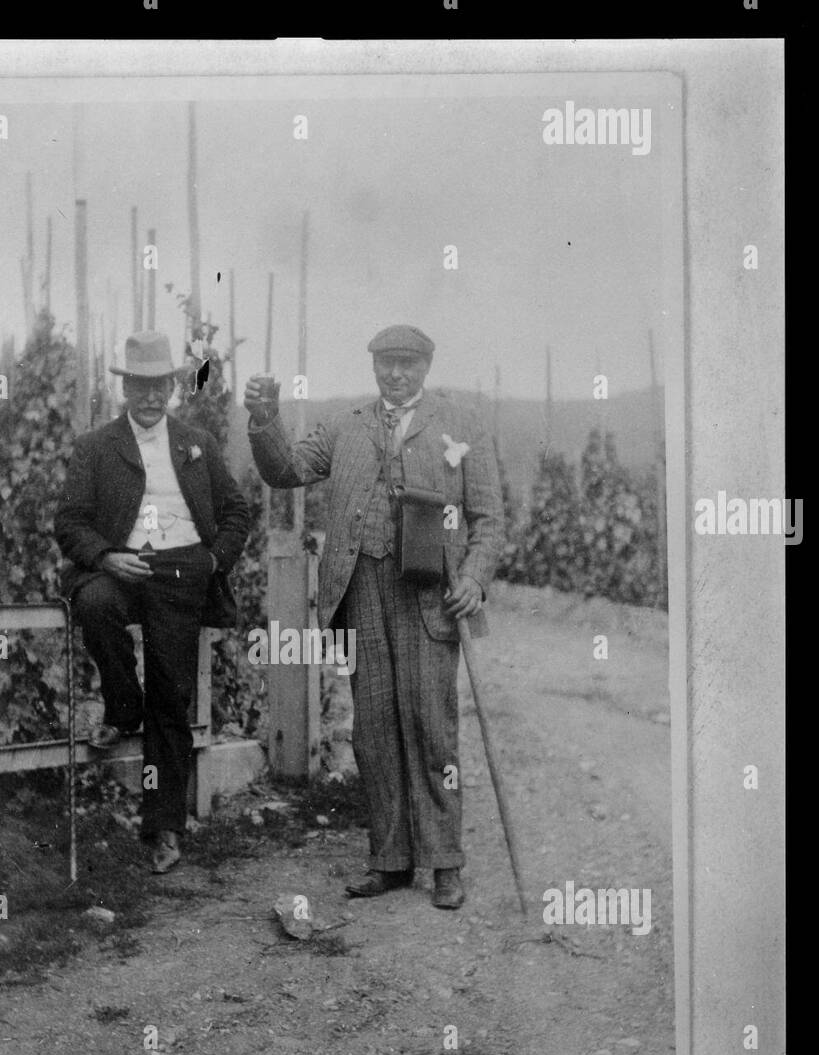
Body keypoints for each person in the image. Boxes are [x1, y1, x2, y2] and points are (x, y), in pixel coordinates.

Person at [245, 325, 504, 909]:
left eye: (407, 363)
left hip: (430, 593)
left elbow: (489, 520)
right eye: (386, 363)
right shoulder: (345, 426)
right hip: (361, 587)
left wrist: (473, 578)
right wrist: (264, 417)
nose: (396, 374)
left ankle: (442, 861)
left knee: (430, 724)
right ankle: (389, 859)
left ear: (426, 367)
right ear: (374, 368)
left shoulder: (461, 425)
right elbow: (284, 469)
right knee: (374, 729)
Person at [56, 330, 250, 874]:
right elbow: (69, 521)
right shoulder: (96, 447)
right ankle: (121, 705)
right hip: (122, 564)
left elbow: (237, 511)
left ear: (172, 386)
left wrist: (215, 560)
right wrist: (105, 556)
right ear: (125, 388)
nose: (148, 395)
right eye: (139, 385)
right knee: (93, 602)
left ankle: (164, 827)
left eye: (158, 384)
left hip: (183, 569)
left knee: (171, 694)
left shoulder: (196, 444)